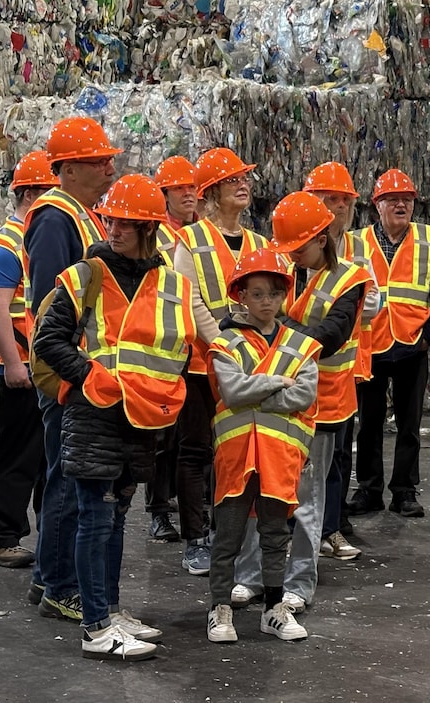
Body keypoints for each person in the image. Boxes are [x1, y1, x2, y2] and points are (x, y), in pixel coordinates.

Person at [32, 174, 196, 661]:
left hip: (141, 418)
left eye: (125, 223)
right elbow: (47, 340)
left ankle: (110, 611)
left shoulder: (169, 282)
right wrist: (89, 378)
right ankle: (96, 627)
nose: (114, 229)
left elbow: (179, 346)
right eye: (111, 220)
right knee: (96, 518)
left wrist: (163, 394)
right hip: (95, 415)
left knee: (118, 516)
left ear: (149, 228)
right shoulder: (86, 275)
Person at [233, 192, 369, 613]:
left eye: (297, 248)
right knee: (260, 491)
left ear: (322, 239)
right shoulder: (284, 269)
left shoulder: (351, 280)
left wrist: (274, 327)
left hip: (323, 404)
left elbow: (330, 337)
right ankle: (251, 576)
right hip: (272, 400)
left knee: (308, 500)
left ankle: (299, 583)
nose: (290, 255)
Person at [26, 116, 120, 621]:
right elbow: (50, 306)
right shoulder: (55, 219)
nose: (110, 168)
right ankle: (61, 586)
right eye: (98, 161)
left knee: (66, 475)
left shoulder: (84, 216)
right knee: (66, 478)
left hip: (79, 370)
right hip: (68, 373)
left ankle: (49, 577)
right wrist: (71, 371)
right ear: (68, 169)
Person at [206, 249, 320, 643]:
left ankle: (273, 609)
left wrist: (257, 395)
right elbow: (232, 391)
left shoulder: (302, 345)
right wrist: (275, 382)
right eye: (257, 294)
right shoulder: (226, 343)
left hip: (279, 458)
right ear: (241, 296)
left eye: (273, 293)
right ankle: (219, 608)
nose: (266, 302)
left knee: (275, 535)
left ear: (284, 295)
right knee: (228, 537)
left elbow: (304, 394)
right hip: (237, 456)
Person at [172, 147, 271, 576]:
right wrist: (223, 345)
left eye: (244, 178)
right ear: (211, 192)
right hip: (203, 363)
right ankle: (195, 539)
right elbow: (190, 300)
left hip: (248, 364)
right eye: (232, 180)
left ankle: (230, 533)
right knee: (196, 449)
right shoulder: (190, 240)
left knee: (237, 450)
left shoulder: (259, 243)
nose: (242, 185)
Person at [349, 169, 430, 519]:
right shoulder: (355, 243)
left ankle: (404, 491)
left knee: (410, 424)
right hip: (371, 345)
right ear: (377, 205)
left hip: (413, 344)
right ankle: (369, 489)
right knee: (369, 423)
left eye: (406, 200)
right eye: (392, 199)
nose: (401, 205)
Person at [0, 151, 58, 568]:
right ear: (31, 194)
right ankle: (1, 539)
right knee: (15, 457)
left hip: (40, 368)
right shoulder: (6, 247)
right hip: (17, 369)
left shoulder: (35, 241)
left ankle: (47, 536)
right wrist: (13, 364)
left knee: (44, 460)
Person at [301, 161, 378, 558]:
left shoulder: (360, 248)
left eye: (345, 200)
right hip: (297, 373)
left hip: (342, 371)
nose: (339, 207)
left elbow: (373, 304)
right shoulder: (294, 248)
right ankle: (300, 532)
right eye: (330, 199)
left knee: (337, 458)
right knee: (299, 459)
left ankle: (330, 528)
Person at [145, 154, 200, 542]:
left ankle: (191, 506)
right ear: (164, 194)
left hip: (199, 344)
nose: (188, 194)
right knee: (163, 433)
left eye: (192, 187)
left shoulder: (205, 235)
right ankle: (159, 510)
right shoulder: (156, 234)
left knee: (194, 436)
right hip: (165, 343)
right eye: (179, 188)